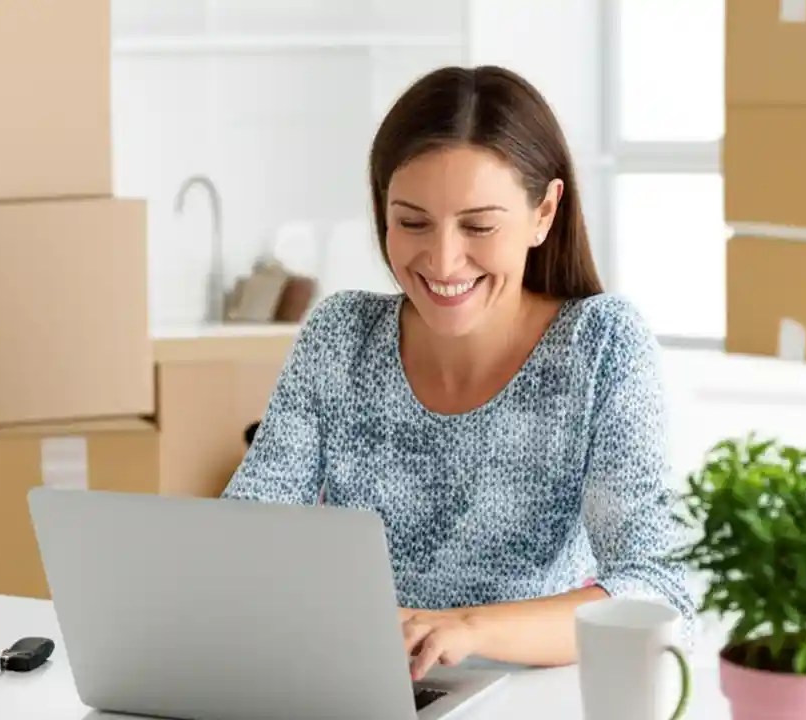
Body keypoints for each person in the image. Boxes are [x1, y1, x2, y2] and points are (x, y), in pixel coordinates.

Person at [221, 65, 694, 681]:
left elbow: (658, 589)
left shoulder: (599, 345)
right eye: (412, 222)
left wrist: (467, 627)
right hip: (352, 685)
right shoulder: (341, 336)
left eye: (479, 225)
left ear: (544, 212)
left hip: (516, 694)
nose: (443, 261)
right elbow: (240, 542)